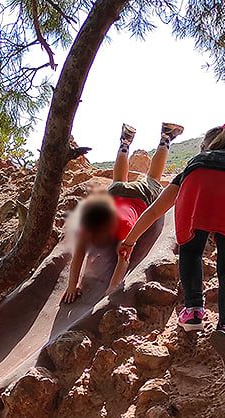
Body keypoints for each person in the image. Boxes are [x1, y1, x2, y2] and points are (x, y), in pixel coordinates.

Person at [113, 122, 225, 381]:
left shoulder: (198, 161)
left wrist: (129, 241)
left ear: (208, 145)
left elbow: (156, 209)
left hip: (199, 186)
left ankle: (193, 310)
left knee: (191, 251)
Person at [61, 121, 184, 304]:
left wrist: (110, 287)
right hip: (117, 196)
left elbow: (122, 258)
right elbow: (87, 253)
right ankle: (158, 138)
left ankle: (146, 139)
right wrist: (75, 285)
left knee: (152, 178)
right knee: (122, 180)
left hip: (138, 196)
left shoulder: (118, 228)